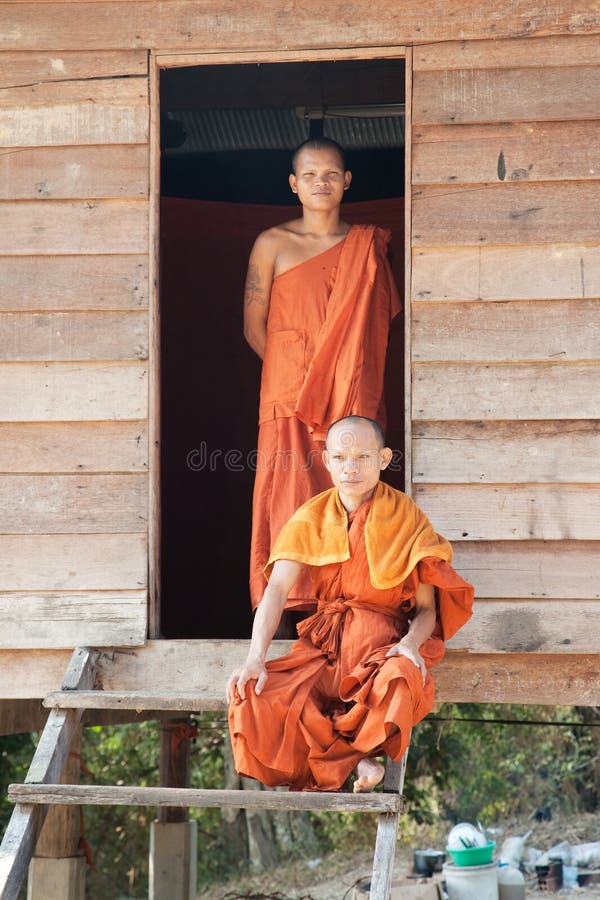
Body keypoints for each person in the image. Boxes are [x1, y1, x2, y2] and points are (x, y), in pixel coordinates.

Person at [227, 416, 474, 793]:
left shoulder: (407, 518)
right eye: (341, 457)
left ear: (384, 458)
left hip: (379, 650)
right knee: (254, 697)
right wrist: (254, 658)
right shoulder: (311, 515)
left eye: (362, 456)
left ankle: (353, 759)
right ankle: (358, 761)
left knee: (401, 680)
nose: (351, 468)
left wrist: (407, 647)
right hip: (324, 648)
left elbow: (427, 610)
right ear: (326, 461)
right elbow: (276, 589)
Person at [244, 138, 401, 611]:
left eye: (331, 174)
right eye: (310, 175)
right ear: (294, 184)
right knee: (289, 493)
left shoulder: (366, 247)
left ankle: (349, 603)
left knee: (351, 490)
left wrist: (338, 380)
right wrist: (297, 376)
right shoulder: (272, 243)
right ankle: (291, 608)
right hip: (287, 395)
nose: (321, 183)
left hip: (352, 398)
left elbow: (375, 329)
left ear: (347, 180)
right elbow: (254, 326)